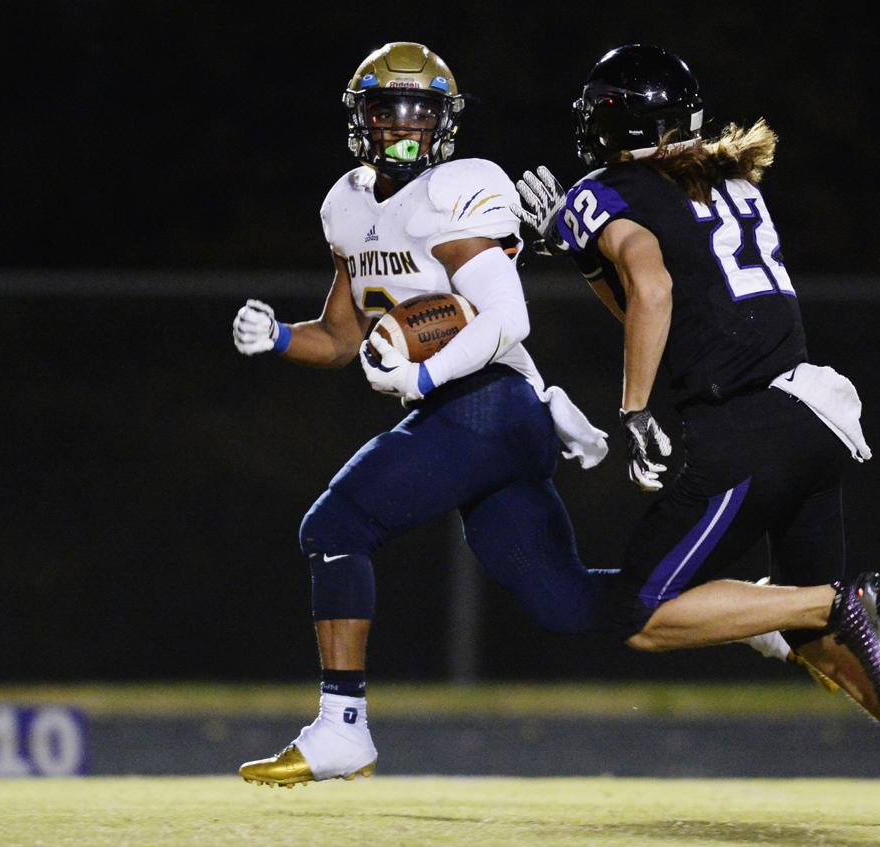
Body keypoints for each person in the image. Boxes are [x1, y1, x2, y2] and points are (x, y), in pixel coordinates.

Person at [514, 44, 880, 831]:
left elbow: (654, 286)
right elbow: (669, 304)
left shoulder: (608, 190)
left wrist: (635, 410)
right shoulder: (727, 178)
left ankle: (832, 600)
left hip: (747, 424)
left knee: (642, 614)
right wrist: (586, 261)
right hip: (811, 409)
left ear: (619, 125)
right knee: (821, 639)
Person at [229, 41, 617, 788]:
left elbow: (508, 317)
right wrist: (277, 336)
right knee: (565, 600)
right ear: (360, 118)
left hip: (491, 400)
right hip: (478, 417)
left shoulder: (460, 188)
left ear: (446, 120)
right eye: (386, 109)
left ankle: (343, 725)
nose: (403, 126)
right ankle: (748, 616)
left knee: (336, 524)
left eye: (420, 110)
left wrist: (422, 370)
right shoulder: (345, 205)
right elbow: (341, 337)